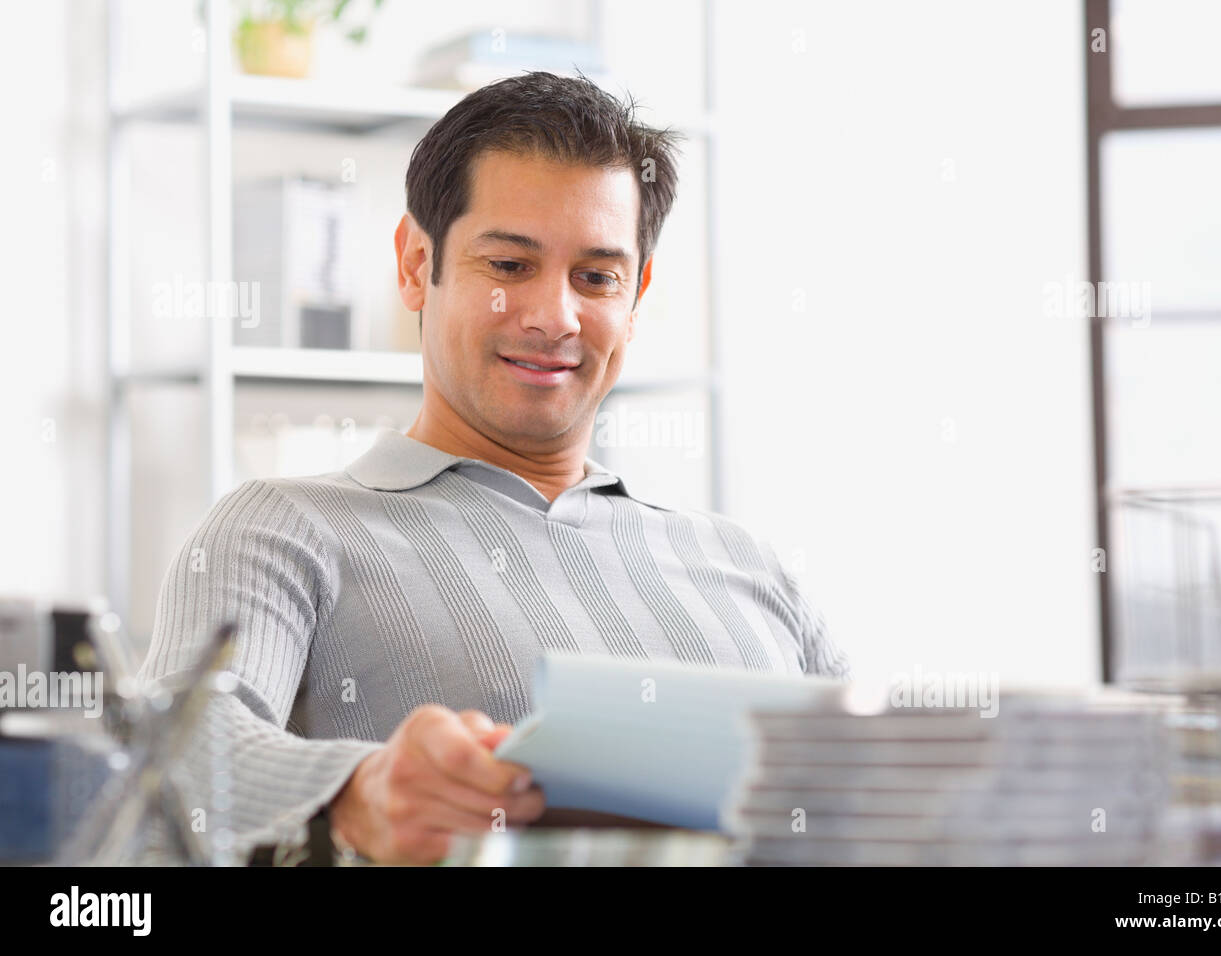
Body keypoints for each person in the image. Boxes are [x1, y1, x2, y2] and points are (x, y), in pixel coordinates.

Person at [139, 71, 852, 865]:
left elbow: (885, 798)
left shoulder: (748, 565)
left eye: (597, 278)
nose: (553, 317)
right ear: (417, 263)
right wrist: (356, 794)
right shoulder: (283, 529)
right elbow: (179, 752)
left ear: (636, 294)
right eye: (510, 266)